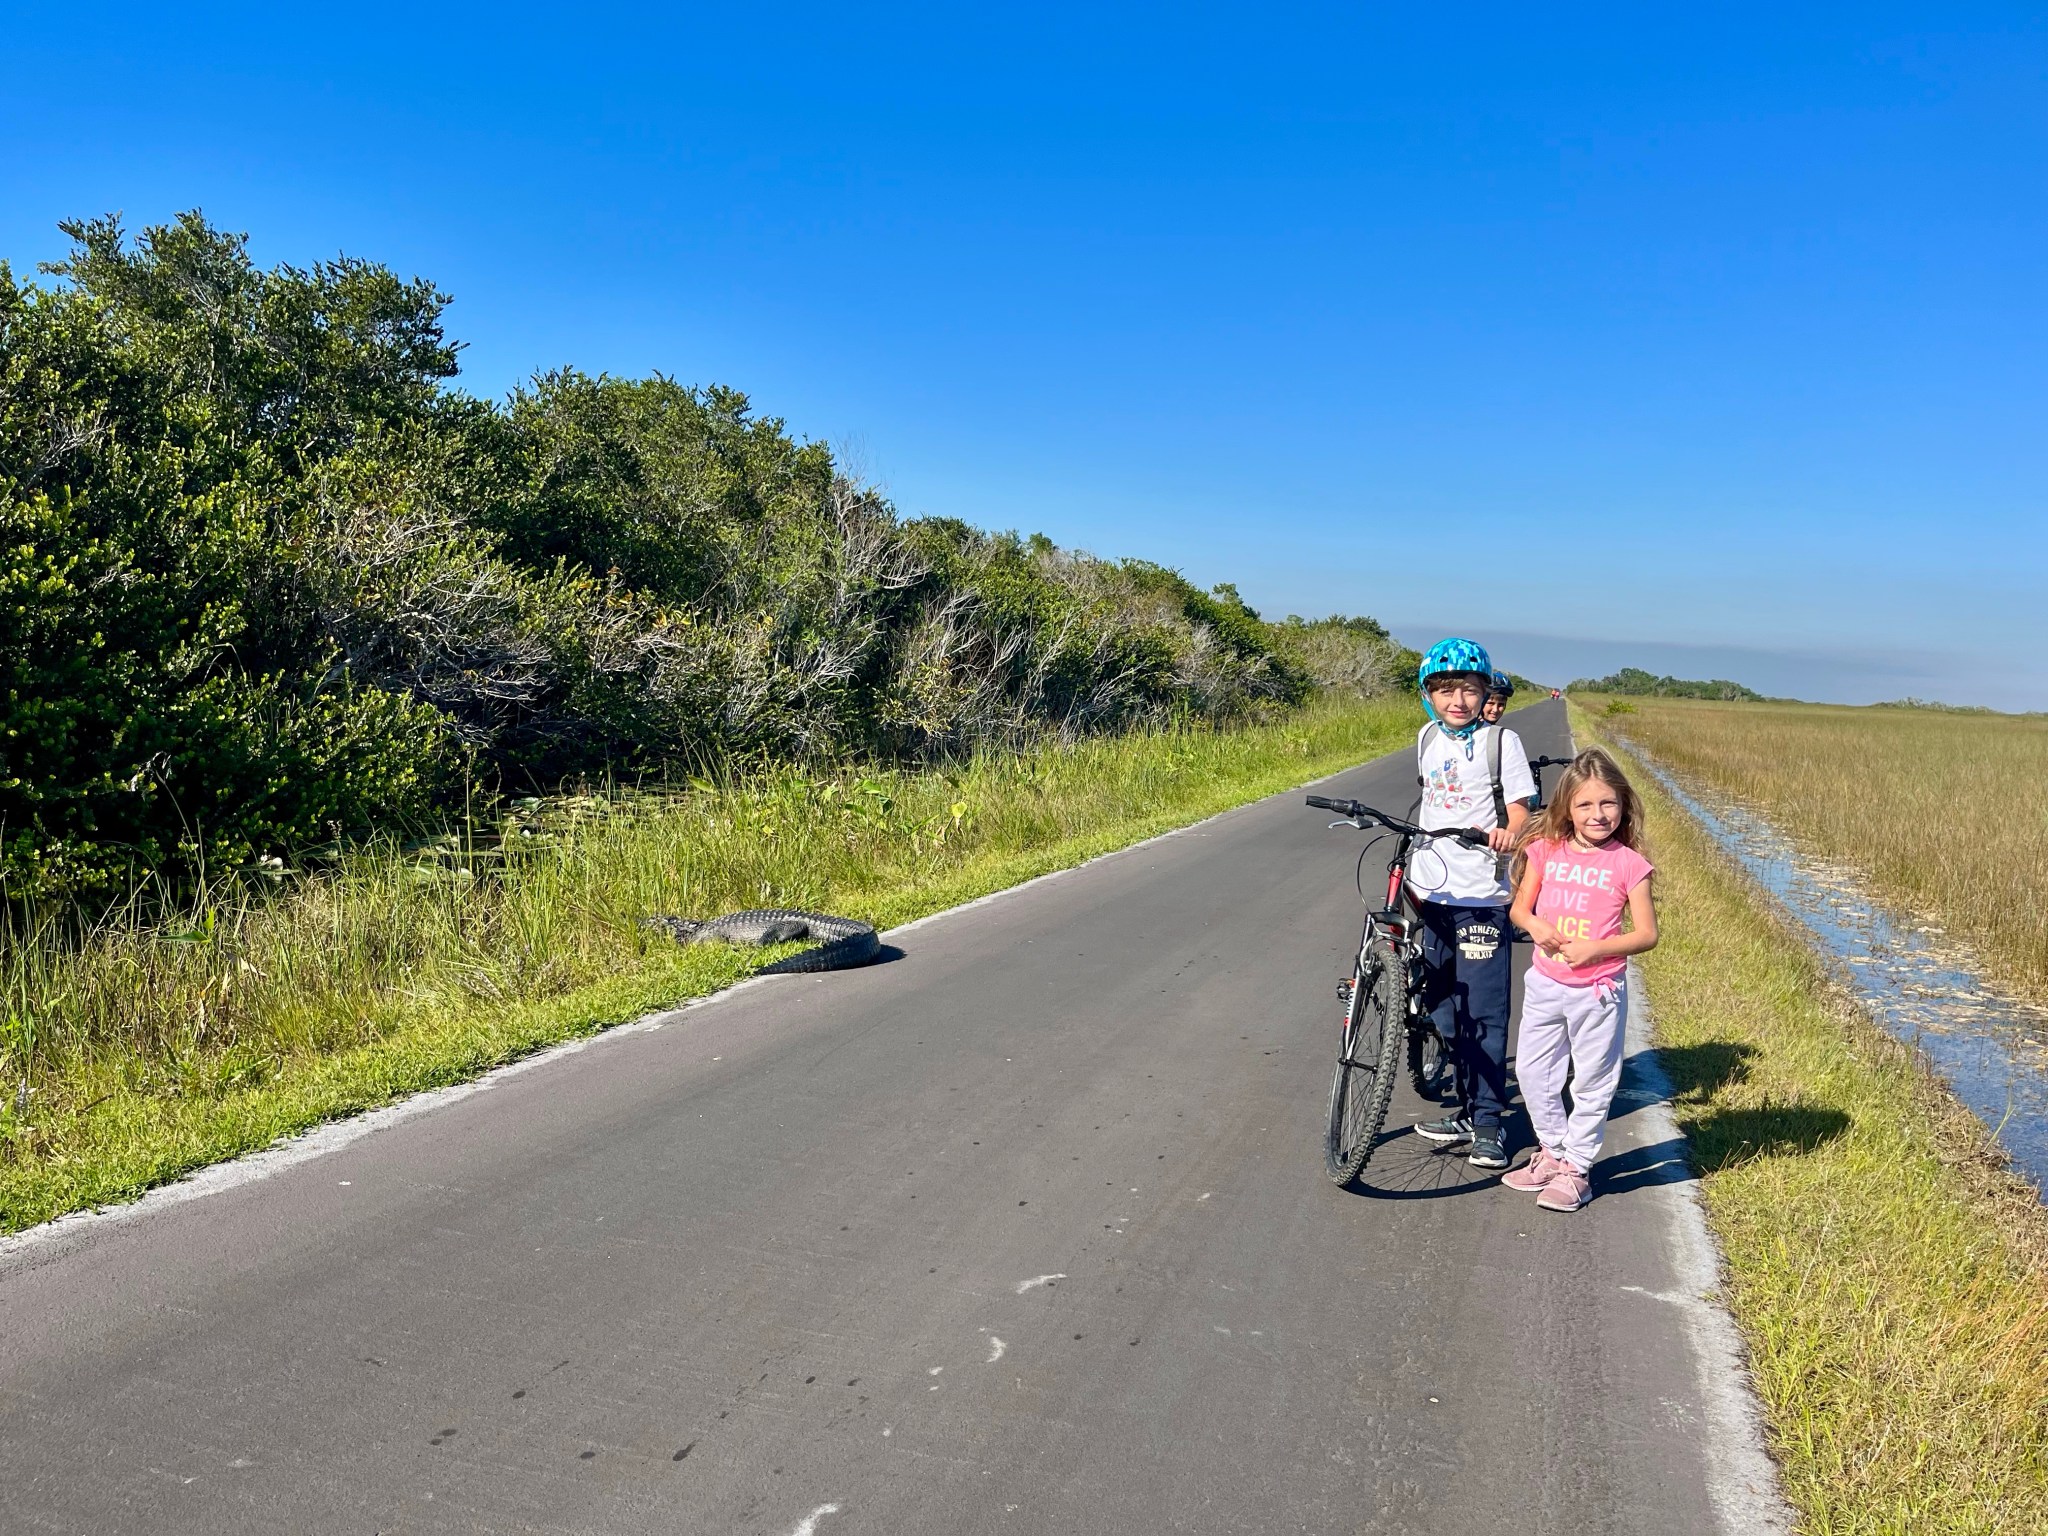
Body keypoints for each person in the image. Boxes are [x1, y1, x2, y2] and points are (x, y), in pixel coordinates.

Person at [1502, 748, 1658, 1211]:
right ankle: (1552, 1151)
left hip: (1598, 991)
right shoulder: (1545, 850)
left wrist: (1595, 949)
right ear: (1567, 809)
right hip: (1546, 983)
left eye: (1608, 803)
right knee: (1533, 1072)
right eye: (1585, 805)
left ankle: (1578, 1168)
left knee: (1591, 1080)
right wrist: (1535, 926)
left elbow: (1647, 935)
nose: (1598, 814)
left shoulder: (1630, 865)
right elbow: (1519, 909)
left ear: (1623, 805)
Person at [1408, 639, 1535, 1169]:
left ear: (1484, 692)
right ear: (1428, 695)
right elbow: (1430, 797)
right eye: (1444, 690)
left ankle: (1487, 1122)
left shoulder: (1501, 742)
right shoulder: (1425, 738)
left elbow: (1521, 808)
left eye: (1468, 689)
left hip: (1480, 895)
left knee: (1483, 1010)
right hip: (1430, 891)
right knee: (1439, 1002)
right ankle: (1462, 1106)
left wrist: (1510, 833)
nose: (1457, 700)